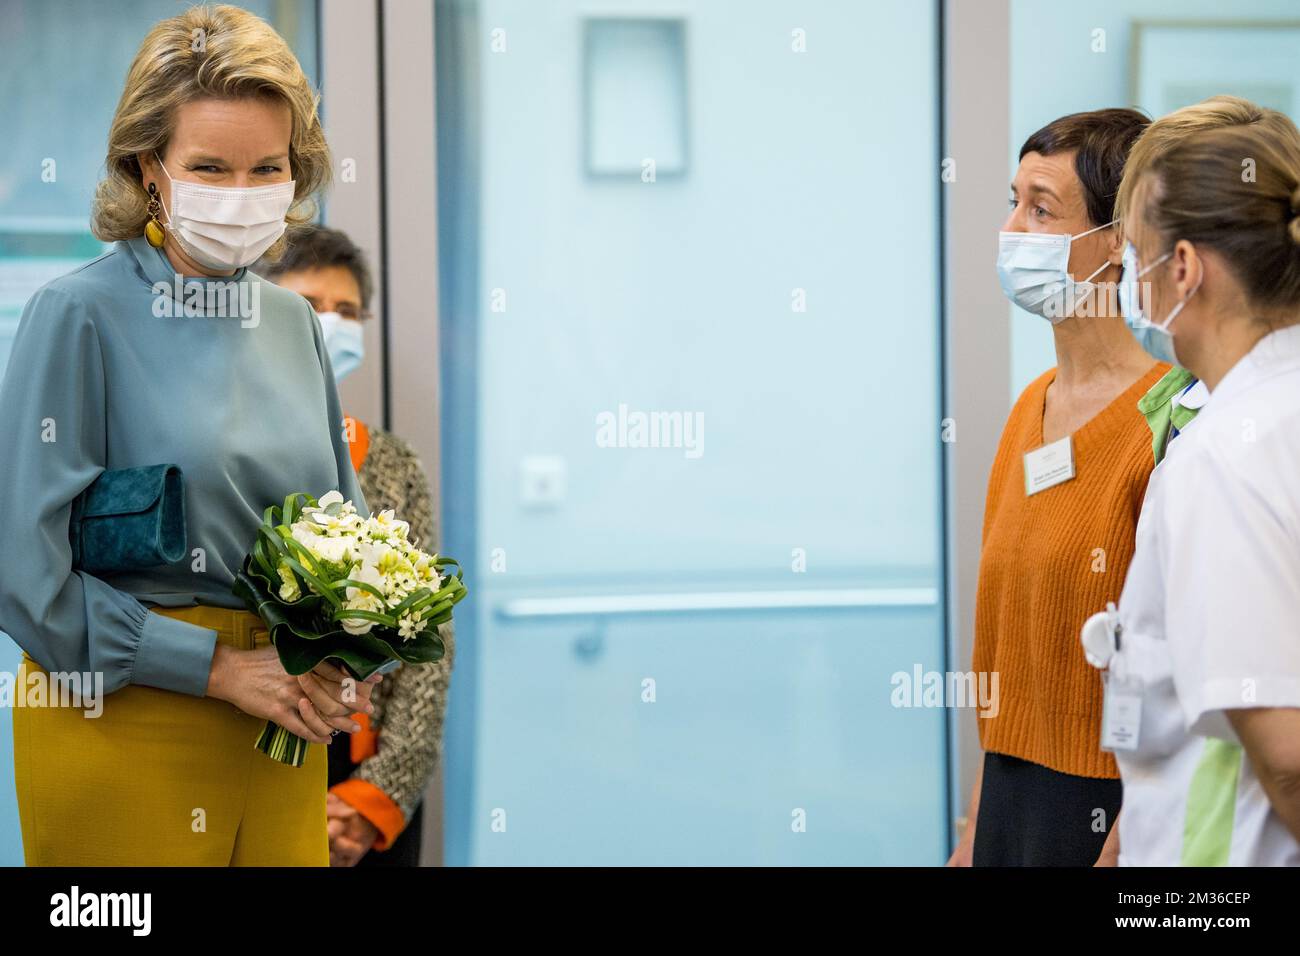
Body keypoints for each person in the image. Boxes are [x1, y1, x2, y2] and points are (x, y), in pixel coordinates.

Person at [0, 5, 379, 866]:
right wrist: (215, 668)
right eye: (210, 167)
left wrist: (348, 653)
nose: (242, 196)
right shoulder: (77, 316)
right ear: (149, 169)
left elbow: (347, 534)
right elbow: (24, 575)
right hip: (125, 719)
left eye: (267, 169)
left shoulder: (291, 324)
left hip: (280, 727)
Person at [949, 108, 1170, 866]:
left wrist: (1126, 843)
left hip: (1107, 809)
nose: (1013, 230)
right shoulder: (1027, 411)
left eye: (1041, 209)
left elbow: (1175, 668)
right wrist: (976, 826)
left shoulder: (1169, 420)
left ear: (1116, 240)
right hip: (1010, 797)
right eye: (1012, 202)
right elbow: (1003, 648)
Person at [1089, 100, 1300, 865]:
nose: (1130, 280)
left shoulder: (1223, 458)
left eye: (1135, 254)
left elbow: (1285, 757)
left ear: (1182, 268)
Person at [257, 226, 454, 867]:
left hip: (361, 764)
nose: (331, 324)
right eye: (311, 304)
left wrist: (375, 799)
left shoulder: (394, 465)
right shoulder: (228, 453)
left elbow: (430, 649)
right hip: (253, 749)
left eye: (347, 311)